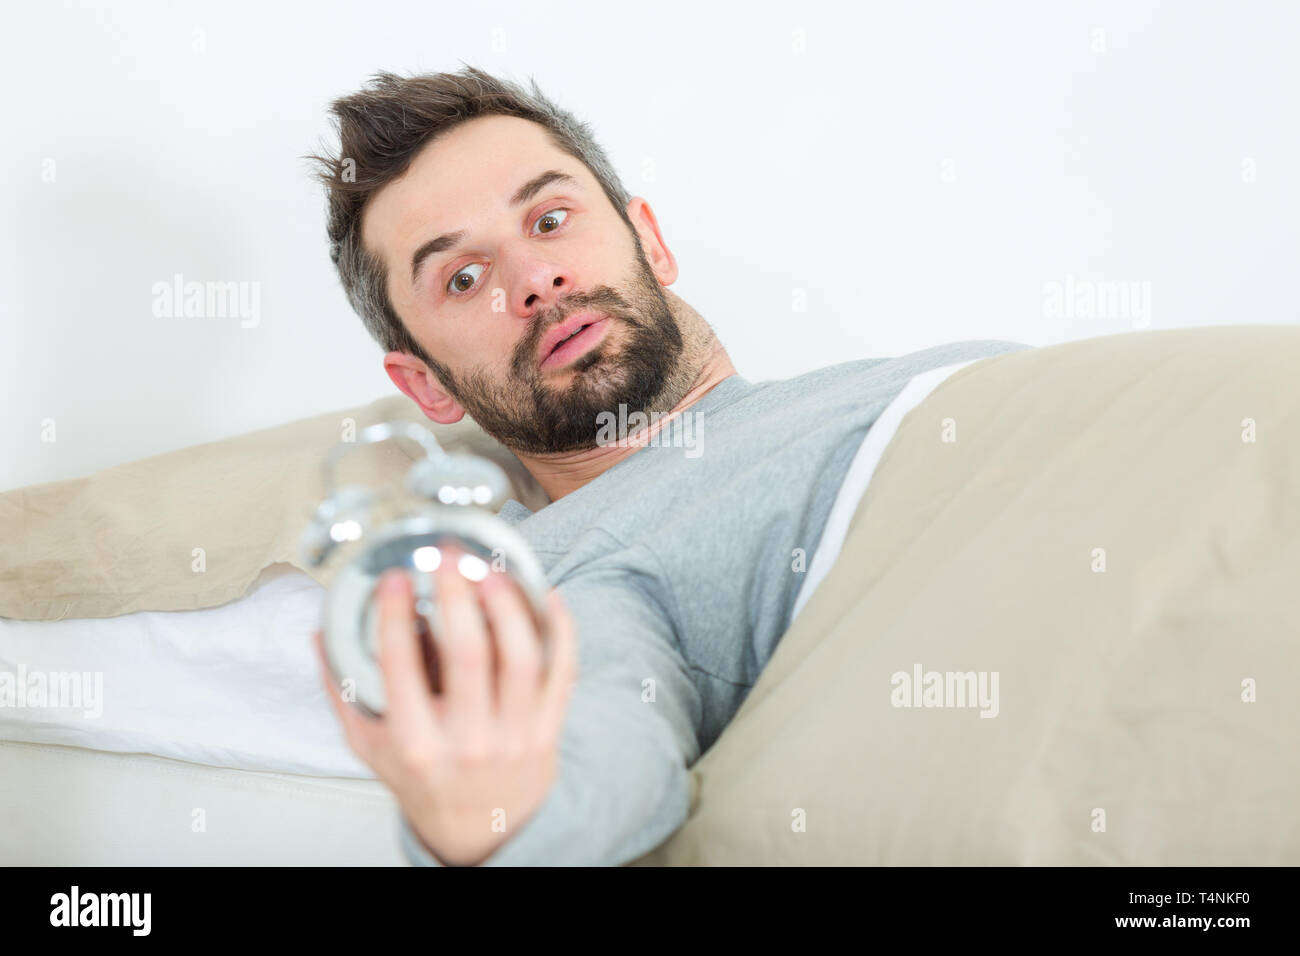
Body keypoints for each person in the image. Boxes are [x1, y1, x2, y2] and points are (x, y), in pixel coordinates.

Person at [307, 64, 1029, 865]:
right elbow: (594, 767)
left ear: (649, 238)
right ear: (427, 387)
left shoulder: (903, 373)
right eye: (464, 277)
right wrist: (491, 821)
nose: (535, 281)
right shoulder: (573, 571)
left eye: (549, 220)